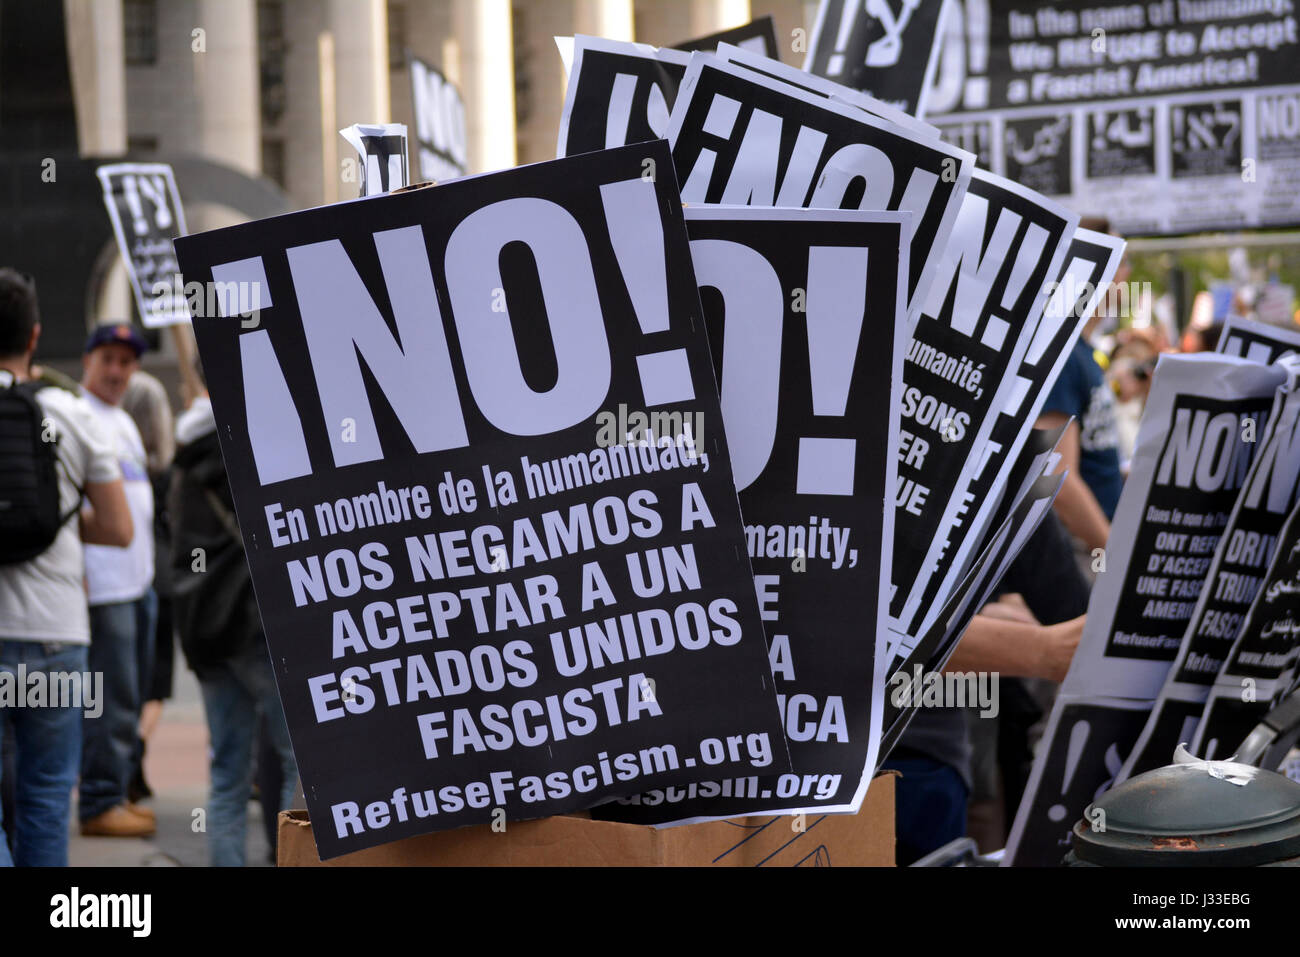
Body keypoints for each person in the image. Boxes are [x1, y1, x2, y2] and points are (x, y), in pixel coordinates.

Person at [0, 269, 133, 865]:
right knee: (48, 798)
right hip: (58, 637)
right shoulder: (74, 415)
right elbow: (119, 529)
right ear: (34, 336)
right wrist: (56, 515)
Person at [171, 369, 298, 866]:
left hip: (208, 633)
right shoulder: (254, 446)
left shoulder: (184, 454)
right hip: (256, 628)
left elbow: (177, 544)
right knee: (297, 766)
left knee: (226, 775)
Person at [78, 323, 158, 838]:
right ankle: (100, 802)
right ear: (88, 360)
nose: (115, 371)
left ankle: (117, 791)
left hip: (137, 584)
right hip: (105, 588)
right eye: (107, 358)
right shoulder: (78, 417)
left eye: (126, 362)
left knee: (129, 695)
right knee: (111, 697)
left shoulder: (125, 423)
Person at [1037, 217, 1127, 572]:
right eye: (1119, 261)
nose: (1127, 274)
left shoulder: (1083, 352)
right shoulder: (1064, 356)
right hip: (1085, 552)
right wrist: (1113, 555)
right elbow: (1058, 473)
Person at [120, 370, 176, 804]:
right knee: (156, 682)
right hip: (164, 577)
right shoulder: (166, 470)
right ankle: (134, 747)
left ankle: (124, 752)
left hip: (121, 579)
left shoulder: (115, 457)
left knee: (125, 679)